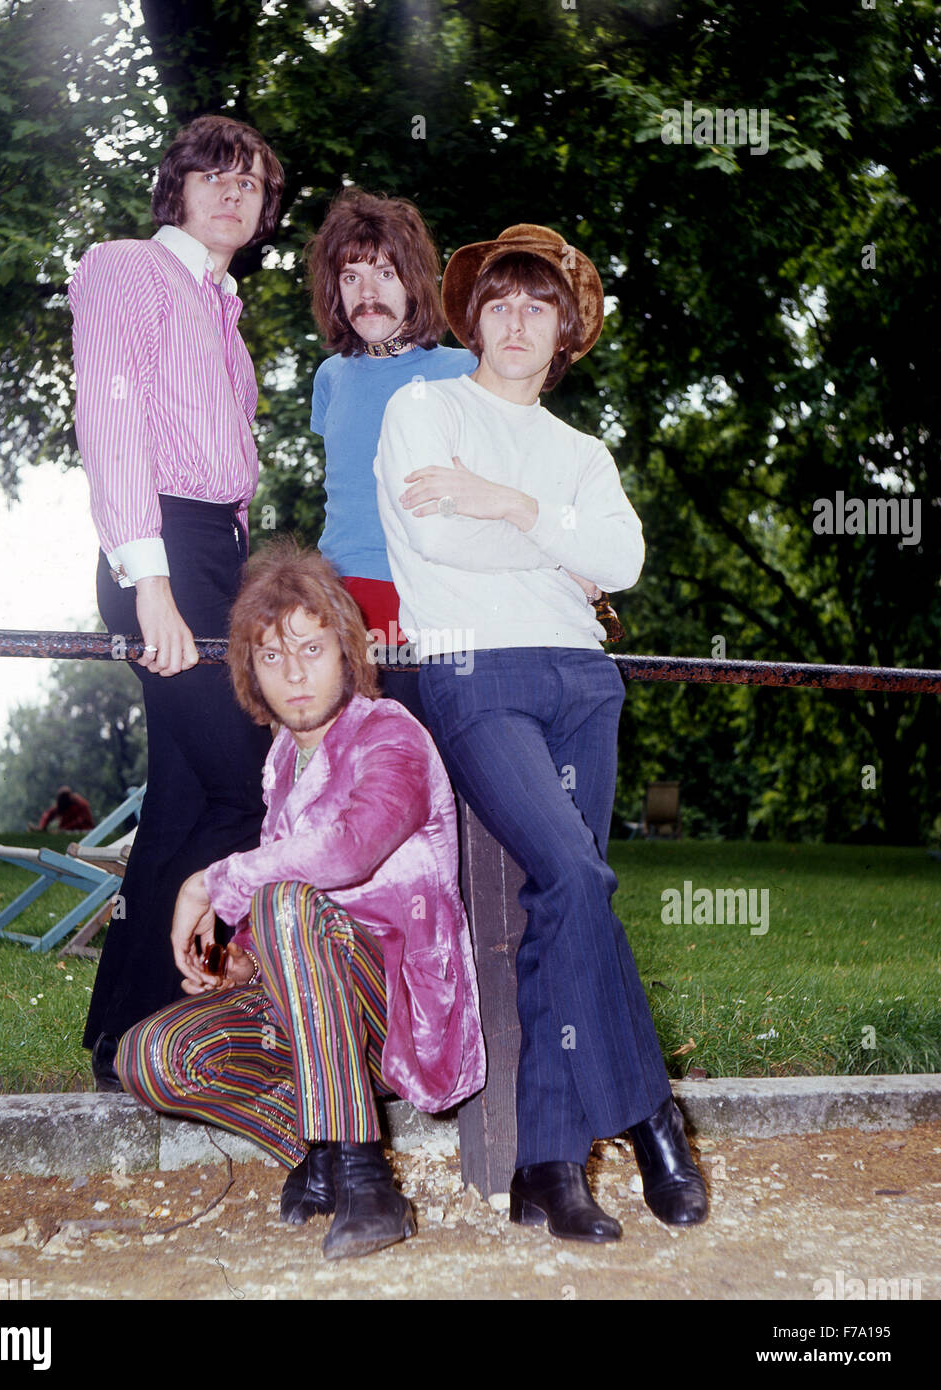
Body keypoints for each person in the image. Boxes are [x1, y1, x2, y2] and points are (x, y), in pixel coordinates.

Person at [375, 224, 708, 1242]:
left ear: (565, 330)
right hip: (477, 673)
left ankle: (549, 1170)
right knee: (576, 877)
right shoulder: (423, 406)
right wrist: (549, 543)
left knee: (563, 911)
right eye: (501, 302)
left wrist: (507, 502)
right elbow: (434, 537)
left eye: (539, 305)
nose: (517, 320)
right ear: (473, 315)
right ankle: (650, 1113)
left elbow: (621, 561)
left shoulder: (581, 451)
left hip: (583, 681)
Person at [116, 540, 484, 1260]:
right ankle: (319, 1144)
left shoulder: (390, 733)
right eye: (271, 657)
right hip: (311, 1002)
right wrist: (242, 968)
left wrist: (206, 882)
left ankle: (365, 1177)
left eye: (311, 649)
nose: (294, 674)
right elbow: (282, 904)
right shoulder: (283, 759)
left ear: (347, 650)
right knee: (152, 1056)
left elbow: (345, 850)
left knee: (285, 900)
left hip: (395, 1001)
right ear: (249, 671)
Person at [68, 115, 285, 1090]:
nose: (234, 194)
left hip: (217, 559)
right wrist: (149, 580)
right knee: (250, 782)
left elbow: (231, 483)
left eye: (252, 185)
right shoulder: (125, 269)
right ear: (178, 188)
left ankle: (124, 1038)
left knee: (191, 798)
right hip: (157, 548)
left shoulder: (226, 313)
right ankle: (166, 1019)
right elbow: (112, 425)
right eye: (215, 176)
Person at [305, 190, 476, 717]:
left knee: (430, 764)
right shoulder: (330, 376)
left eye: (383, 273)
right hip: (337, 596)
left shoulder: (465, 371)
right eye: (350, 276)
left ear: (413, 281)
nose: (366, 292)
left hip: (427, 592)